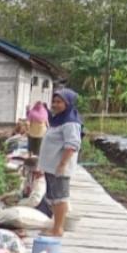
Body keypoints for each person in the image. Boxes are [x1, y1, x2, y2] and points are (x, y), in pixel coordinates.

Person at [38, 88, 83, 237]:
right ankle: (55, 226)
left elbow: (72, 145)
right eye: (54, 101)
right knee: (53, 197)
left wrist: (62, 164)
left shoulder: (70, 122)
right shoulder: (59, 119)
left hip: (59, 167)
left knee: (60, 198)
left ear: (68, 103)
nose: (55, 105)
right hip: (51, 166)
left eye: (59, 102)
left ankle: (58, 229)